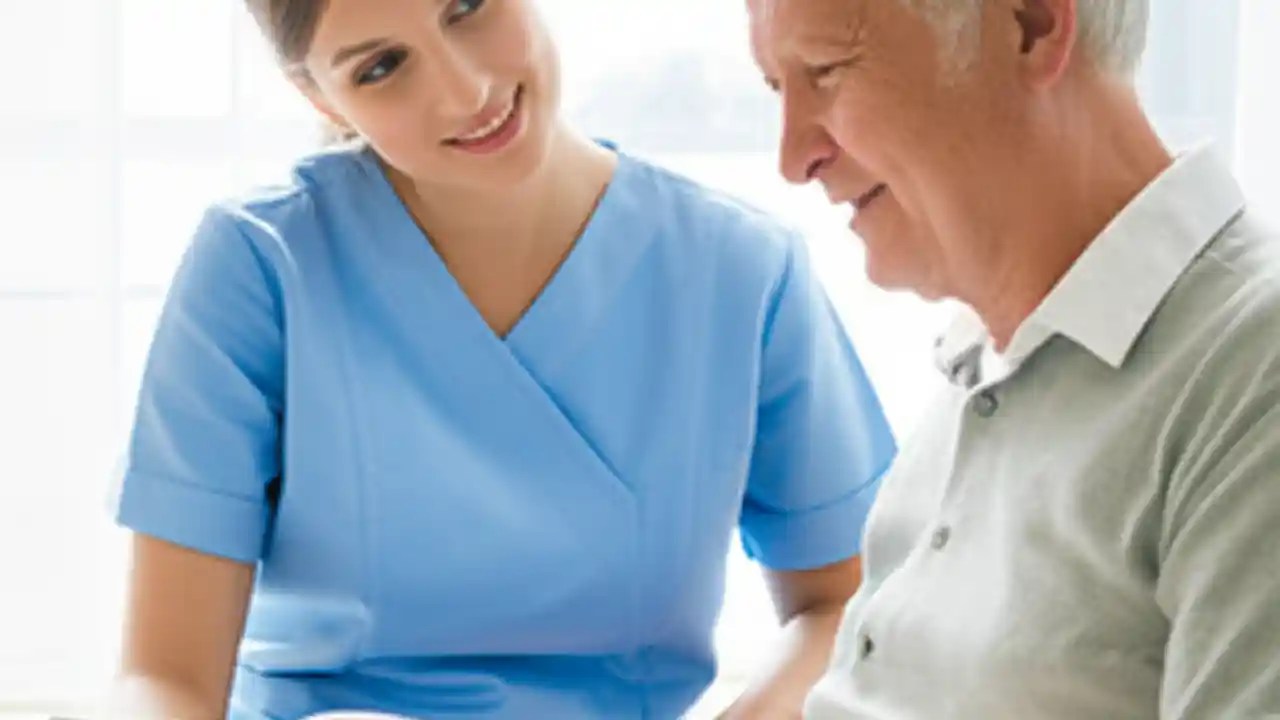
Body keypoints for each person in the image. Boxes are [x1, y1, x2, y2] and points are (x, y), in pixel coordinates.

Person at [107, 0, 897, 718]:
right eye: (381, 68)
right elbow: (166, 677)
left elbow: (849, 608)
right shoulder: (260, 267)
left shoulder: (740, 270)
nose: (465, 91)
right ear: (318, 96)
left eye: (467, 8)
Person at [746, 0, 1280, 717]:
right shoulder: (990, 357)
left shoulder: (1248, 371)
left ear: (1029, 25)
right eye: (779, 90)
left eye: (827, 71)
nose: (793, 159)